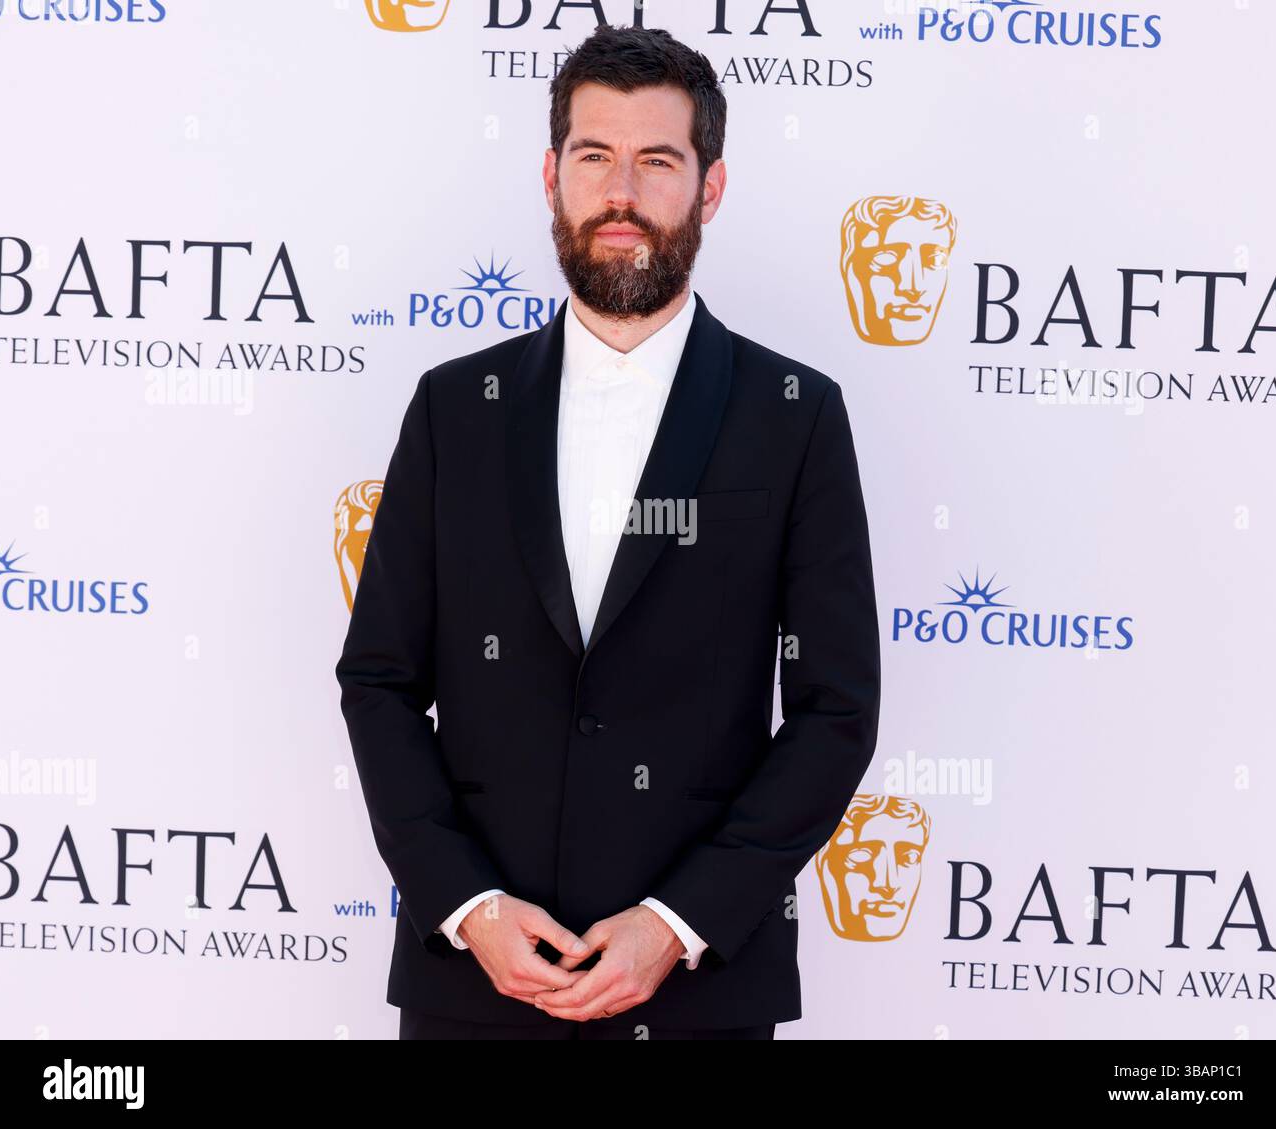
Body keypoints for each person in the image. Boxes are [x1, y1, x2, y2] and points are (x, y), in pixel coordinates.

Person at [335, 24, 881, 1041]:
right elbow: (379, 682)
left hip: (698, 995)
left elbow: (834, 710)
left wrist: (678, 923)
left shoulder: (796, 414)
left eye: (656, 161)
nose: (620, 190)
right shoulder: (456, 409)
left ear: (708, 187)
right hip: (473, 989)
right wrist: (469, 908)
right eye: (594, 156)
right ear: (552, 175)